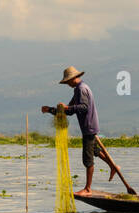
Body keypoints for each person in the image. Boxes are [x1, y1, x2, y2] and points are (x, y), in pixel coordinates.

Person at [41, 66, 134, 196]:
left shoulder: (81, 89)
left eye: (67, 81)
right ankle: (113, 166)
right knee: (95, 150)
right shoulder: (78, 89)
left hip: (89, 127)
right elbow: (69, 111)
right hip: (90, 126)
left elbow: (84, 107)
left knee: (87, 159)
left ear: (73, 78)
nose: (67, 84)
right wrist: (50, 110)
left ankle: (88, 189)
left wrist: (67, 107)